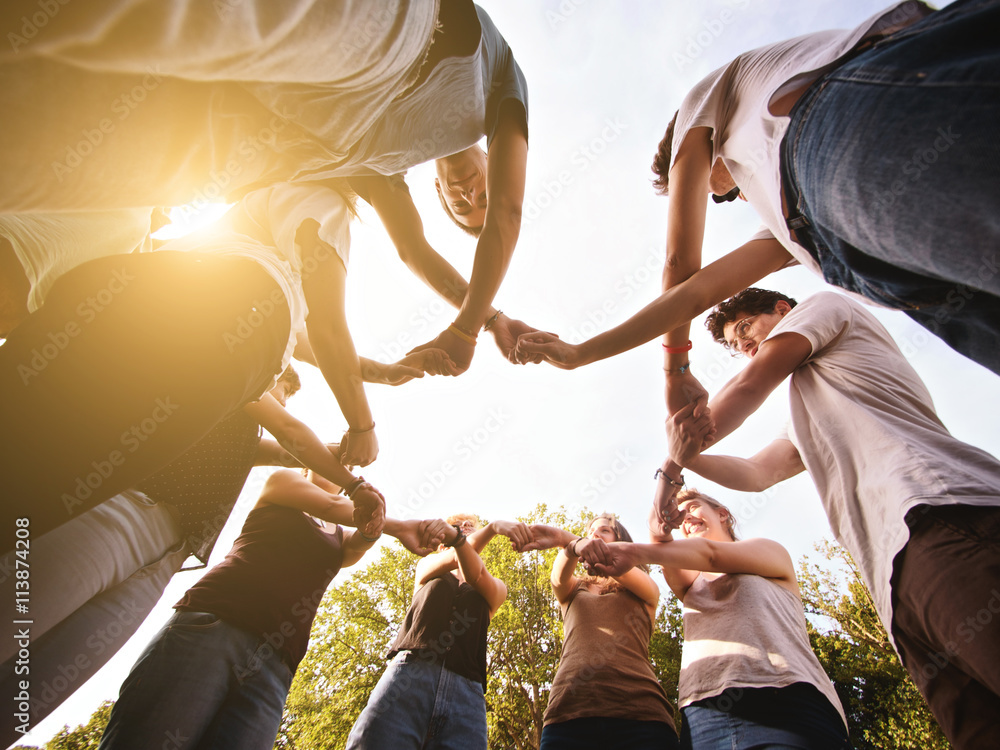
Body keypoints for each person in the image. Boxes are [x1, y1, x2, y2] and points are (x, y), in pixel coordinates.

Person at [2, 0, 532, 374]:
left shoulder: (387, 162)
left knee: (77, 155)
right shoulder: (501, 73)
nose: (470, 196)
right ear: (486, 162)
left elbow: (413, 249)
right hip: (399, 39)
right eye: (475, 196)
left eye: (463, 208)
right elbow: (507, 214)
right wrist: (473, 326)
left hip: (262, 141)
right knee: (174, 18)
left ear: (436, 197)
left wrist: (485, 321)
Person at [517, 0, 1000, 383]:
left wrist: (675, 372)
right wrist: (582, 352)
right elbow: (698, 293)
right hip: (864, 254)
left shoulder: (705, 104)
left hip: (845, 118)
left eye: (719, 192)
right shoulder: (783, 228)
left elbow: (681, 266)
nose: (738, 196)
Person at [657, 287, 1000, 750]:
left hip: (938, 511)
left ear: (783, 310)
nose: (747, 348)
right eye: (739, 348)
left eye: (745, 330)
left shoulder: (824, 307)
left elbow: (749, 386)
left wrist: (671, 469)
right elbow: (758, 473)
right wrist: (683, 467)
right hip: (894, 581)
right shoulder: (802, 411)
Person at [96, 468, 446, 750]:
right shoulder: (284, 481)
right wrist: (403, 526)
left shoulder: (338, 534)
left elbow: (358, 540)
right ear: (312, 464)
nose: (345, 468)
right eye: (336, 460)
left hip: (275, 664)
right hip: (215, 626)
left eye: (350, 466)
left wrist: (381, 526)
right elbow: (331, 506)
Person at [587, 491, 850, 749]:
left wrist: (634, 550)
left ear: (722, 514)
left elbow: (711, 554)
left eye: (692, 508)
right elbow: (662, 545)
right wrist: (661, 508)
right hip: (704, 713)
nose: (687, 518)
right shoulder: (691, 581)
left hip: (786, 693)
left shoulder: (769, 551)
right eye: (682, 517)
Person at [345, 514, 530, 750]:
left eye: (469, 526)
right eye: (457, 527)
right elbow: (454, 557)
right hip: (408, 678)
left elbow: (477, 575)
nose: (463, 528)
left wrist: (475, 533)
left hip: (467, 694)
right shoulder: (426, 568)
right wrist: (490, 528)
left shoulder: (497, 587)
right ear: (442, 542)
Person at [519, 514, 678, 750]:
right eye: (590, 532)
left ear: (621, 539)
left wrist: (564, 538)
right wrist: (572, 546)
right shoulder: (574, 589)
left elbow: (616, 562)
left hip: (642, 716)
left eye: (604, 531)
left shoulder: (643, 588)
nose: (594, 535)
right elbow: (557, 578)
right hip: (568, 713)